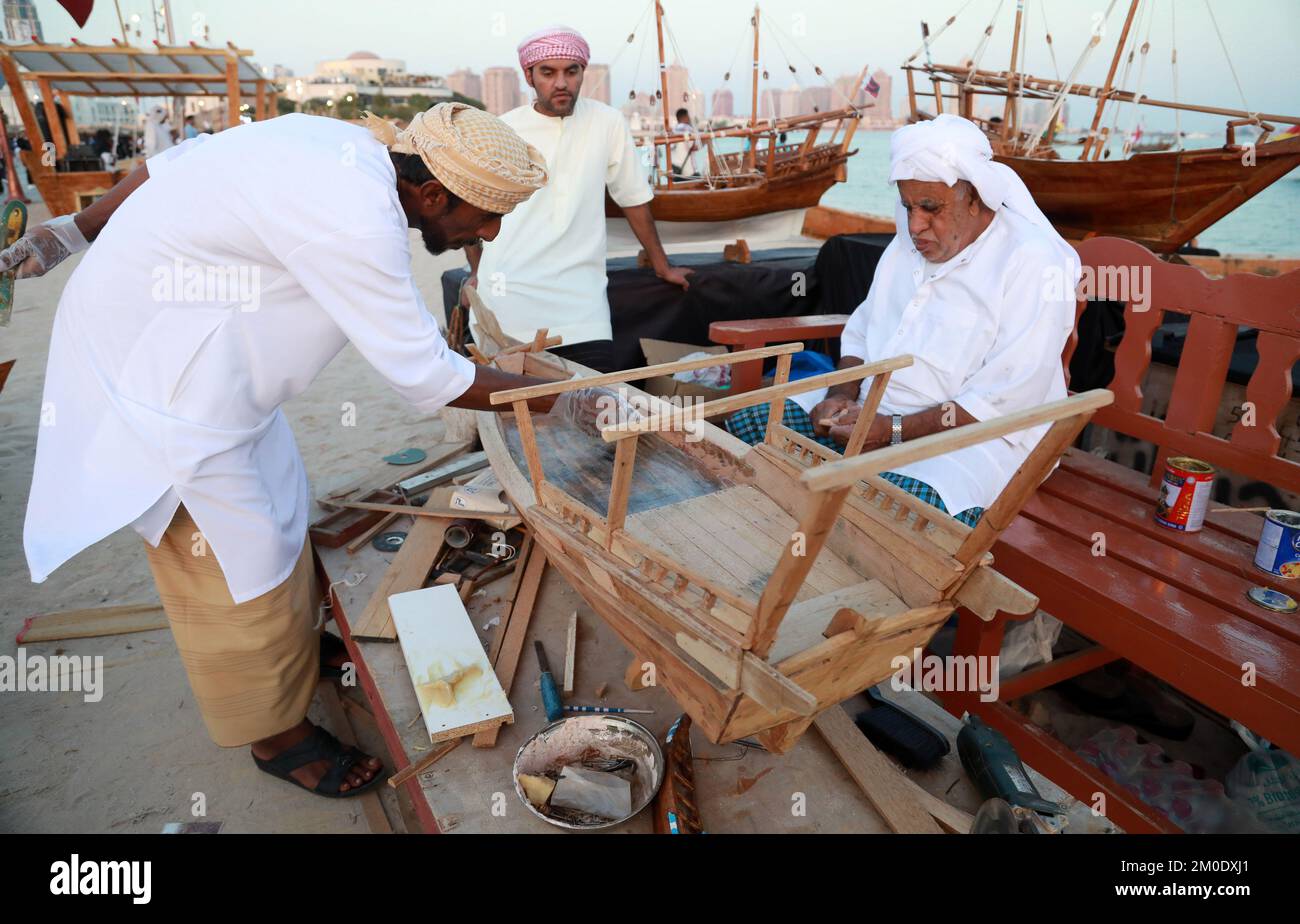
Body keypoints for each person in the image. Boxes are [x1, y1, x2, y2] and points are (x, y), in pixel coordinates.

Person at [2, 102, 553, 799]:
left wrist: (74, 230)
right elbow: (426, 377)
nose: (492, 234)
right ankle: (274, 735)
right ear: (434, 194)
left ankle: (290, 654)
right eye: (485, 216)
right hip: (152, 374)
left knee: (284, 496)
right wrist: (559, 397)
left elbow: (171, 162)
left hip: (200, 351)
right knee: (239, 550)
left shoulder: (344, 141)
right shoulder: (360, 221)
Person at [725, 113, 1080, 526]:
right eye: (908, 205)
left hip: (975, 436)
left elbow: (1005, 396)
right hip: (872, 416)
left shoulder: (1031, 260)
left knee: (892, 508)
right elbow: (861, 331)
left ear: (975, 198)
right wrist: (841, 394)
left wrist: (891, 431)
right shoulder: (906, 247)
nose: (915, 225)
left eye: (930, 208)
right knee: (752, 424)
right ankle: (771, 539)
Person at [460, 24, 691, 372]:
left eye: (572, 71)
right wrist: (476, 272)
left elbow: (632, 198)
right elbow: (469, 204)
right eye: (548, 73)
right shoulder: (503, 128)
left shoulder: (608, 122)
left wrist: (662, 265)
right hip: (510, 301)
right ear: (529, 75)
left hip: (584, 306)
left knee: (595, 412)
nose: (561, 83)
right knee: (521, 420)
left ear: (583, 72)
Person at [672, 107, 701, 178]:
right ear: (685, 117)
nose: (689, 118)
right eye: (688, 116)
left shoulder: (673, 131)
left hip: (675, 169)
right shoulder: (688, 129)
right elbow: (696, 147)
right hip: (688, 171)